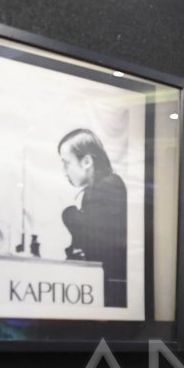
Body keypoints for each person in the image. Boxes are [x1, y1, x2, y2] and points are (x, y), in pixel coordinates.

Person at [59, 128, 128, 307]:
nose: (64, 171)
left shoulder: (109, 186)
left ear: (87, 161)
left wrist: (68, 211)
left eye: (66, 163)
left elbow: (92, 241)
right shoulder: (99, 188)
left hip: (109, 291)